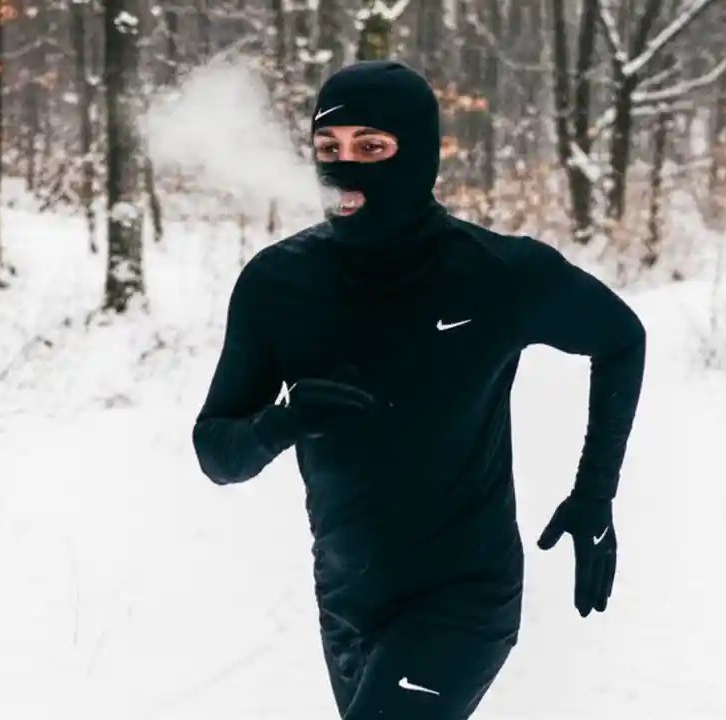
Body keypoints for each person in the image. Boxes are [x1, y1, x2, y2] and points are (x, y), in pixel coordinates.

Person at [191, 60, 646, 720]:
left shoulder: (497, 274)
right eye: (328, 149)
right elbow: (215, 452)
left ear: (421, 152)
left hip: (464, 596)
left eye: (372, 147)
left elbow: (621, 338)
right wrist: (278, 424)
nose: (346, 167)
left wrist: (594, 493)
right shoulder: (279, 284)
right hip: (346, 601)